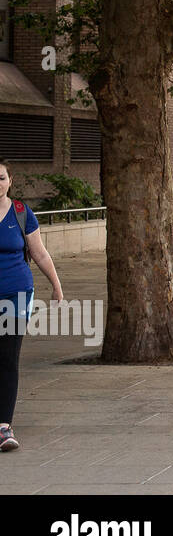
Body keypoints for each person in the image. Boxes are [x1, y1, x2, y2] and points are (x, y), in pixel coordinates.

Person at [0, 160, 63, 453]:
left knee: (8, 358)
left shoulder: (21, 213)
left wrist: (56, 285)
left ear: (10, 180)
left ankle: (3, 427)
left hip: (16, 295)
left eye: (1, 178)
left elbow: (39, 252)